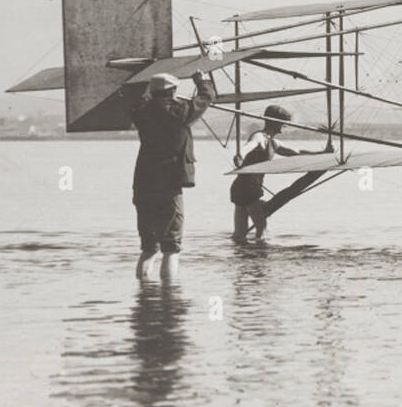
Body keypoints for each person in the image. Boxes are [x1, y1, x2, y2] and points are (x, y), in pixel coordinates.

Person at [128, 71, 215, 280]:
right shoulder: (180, 111)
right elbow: (205, 99)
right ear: (173, 90)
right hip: (169, 184)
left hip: (143, 184)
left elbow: (140, 98)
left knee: (148, 248)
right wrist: (202, 82)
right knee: (171, 249)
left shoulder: (140, 111)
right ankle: (169, 301)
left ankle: (145, 298)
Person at [230, 105, 314, 242]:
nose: (285, 126)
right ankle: (261, 259)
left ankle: (242, 260)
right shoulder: (259, 137)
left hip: (240, 187)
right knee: (263, 229)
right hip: (249, 188)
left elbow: (297, 152)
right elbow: (247, 147)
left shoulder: (273, 142)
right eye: (284, 123)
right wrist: (240, 156)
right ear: (275, 122)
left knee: (239, 233)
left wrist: (322, 153)